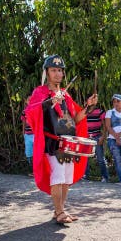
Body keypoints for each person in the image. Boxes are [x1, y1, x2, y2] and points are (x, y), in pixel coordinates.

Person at [26, 55, 98, 224]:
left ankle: (60, 210)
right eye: (53, 70)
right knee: (57, 178)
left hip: (68, 144)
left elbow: (76, 119)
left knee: (66, 179)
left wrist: (89, 106)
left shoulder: (66, 96)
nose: (58, 74)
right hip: (52, 143)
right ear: (47, 72)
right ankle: (59, 212)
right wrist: (49, 101)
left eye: (60, 70)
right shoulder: (40, 92)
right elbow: (30, 113)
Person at [85, 103, 109, 182]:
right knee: (85, 158)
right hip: (86, 137)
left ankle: (105, 176)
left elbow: (105, 124)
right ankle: (85, 175)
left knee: (100, 158)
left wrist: (103, 136)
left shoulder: (100, 111)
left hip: (97, 136)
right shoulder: (84, 111)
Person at [21, 95, 34, 175]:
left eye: (31, 99)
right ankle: (32, 169)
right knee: (29, 153)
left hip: (35, 134)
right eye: (28, 99)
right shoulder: (24, 111)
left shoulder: (36, 110)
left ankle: (37, 171)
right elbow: (23, 122)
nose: (30, 101)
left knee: (37, 153)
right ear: (26, 101)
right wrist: (23, 132)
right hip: (27, 135)